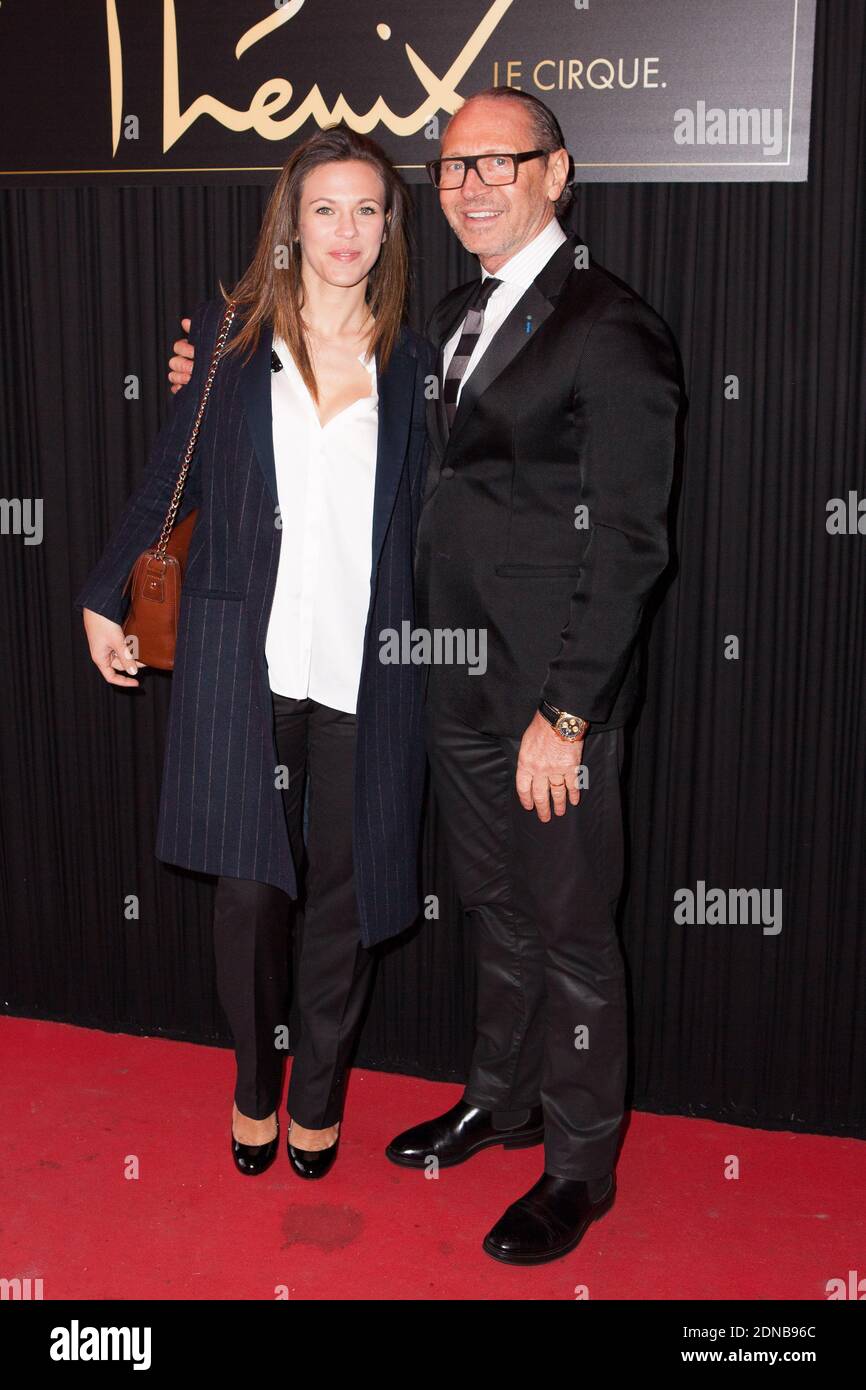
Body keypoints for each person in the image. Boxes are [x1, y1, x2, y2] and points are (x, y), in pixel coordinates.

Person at [168, 88, 683, 1264]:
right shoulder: (444, 319)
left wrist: (570, 709)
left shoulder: (609, 325)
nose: (475, 184)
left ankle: (577, 1164)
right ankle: (498, 1101)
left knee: (568, 930)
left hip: (552, 703)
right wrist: (209, 361)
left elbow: (634, 542)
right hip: (444, 688)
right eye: (454, 167)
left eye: (502, 162)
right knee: (499, 917)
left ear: (557, 173)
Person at [74, 127, 433, 1181]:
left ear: (390, 225)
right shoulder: (227, 335)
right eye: (324, 208)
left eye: (367, 209)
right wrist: (103, 593)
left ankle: (316, 1096)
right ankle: (251, 1081)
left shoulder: (416, 355)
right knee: (247, 897)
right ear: (290, 220)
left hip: (366, 668)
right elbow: (165, 481)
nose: (346, 231)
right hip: (248, 657)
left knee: (343, 890)